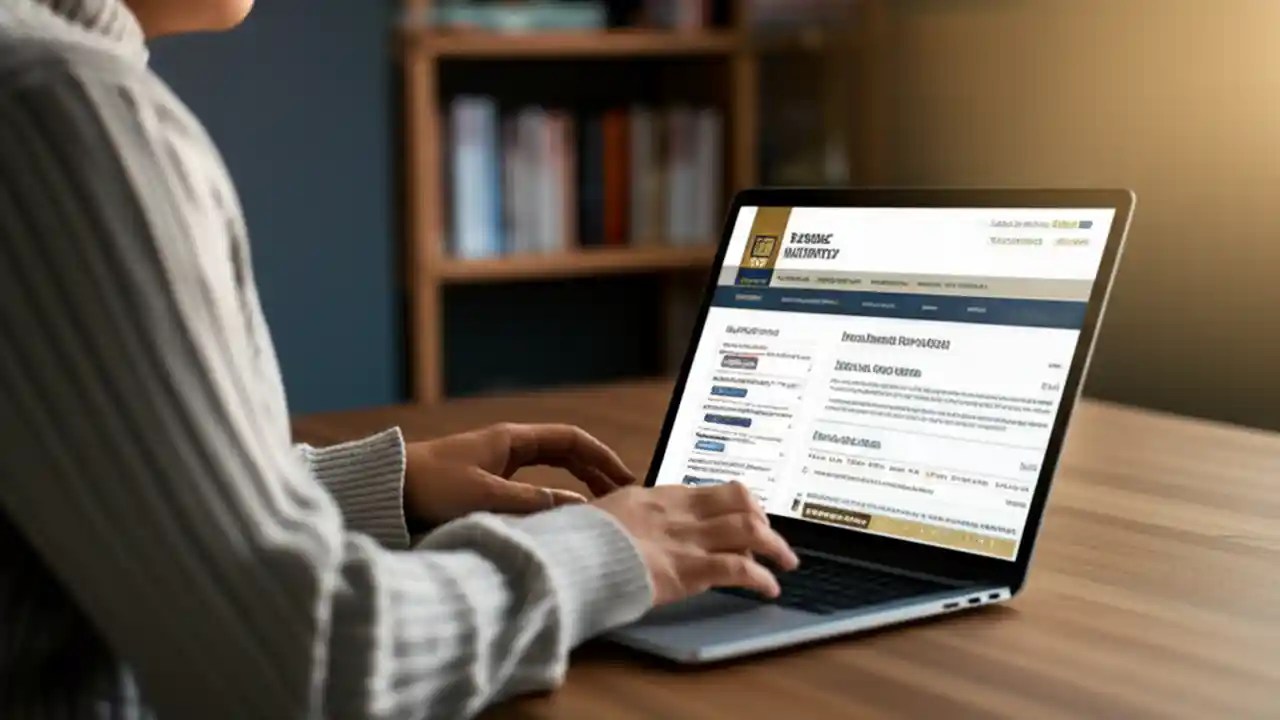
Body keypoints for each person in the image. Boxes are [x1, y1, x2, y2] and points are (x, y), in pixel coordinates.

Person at [0, 0, 799, 717]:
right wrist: (608, 552)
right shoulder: (64, 109)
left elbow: (79, 509)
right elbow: (302, 669)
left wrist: (383, 486)